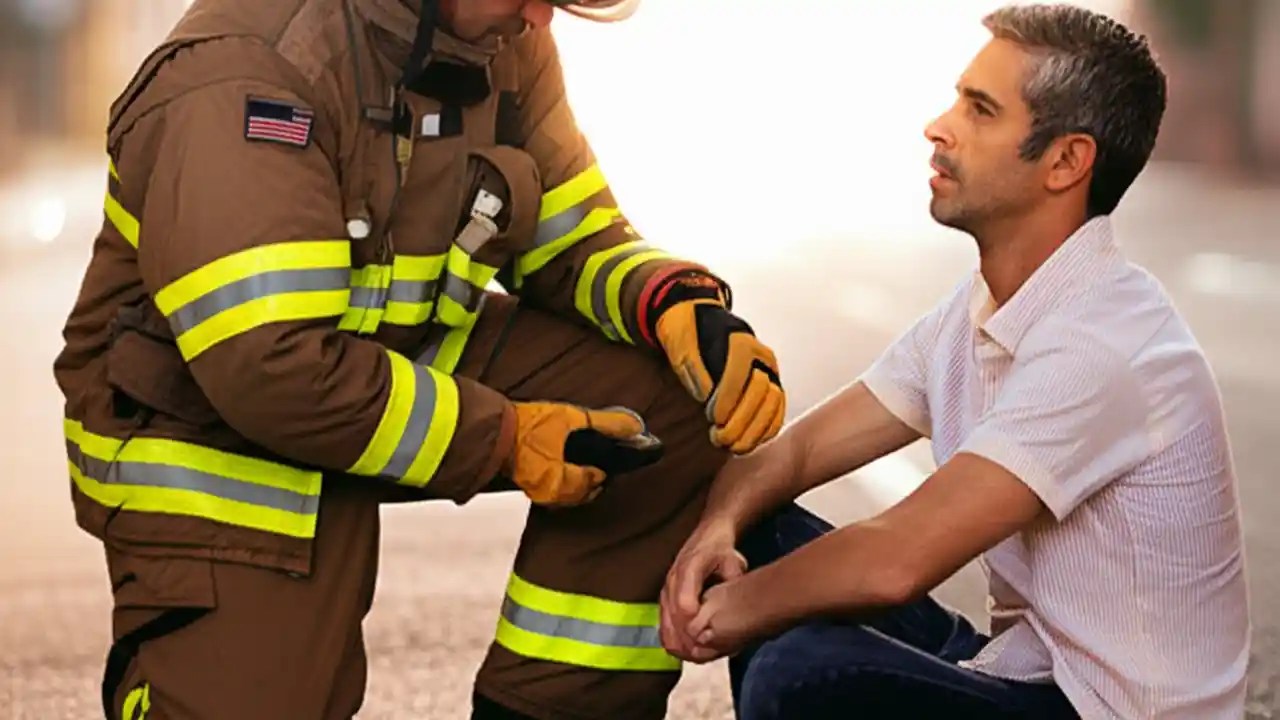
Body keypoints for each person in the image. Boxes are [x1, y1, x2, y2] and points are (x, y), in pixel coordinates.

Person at [52, 0, 787, 718]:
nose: (540, 17)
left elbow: (572, 236)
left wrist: (671, 302)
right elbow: (271, 367)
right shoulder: (249, 71)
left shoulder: (498, 41)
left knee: (665, 400)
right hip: (208, 431)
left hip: (377, 355)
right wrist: (507, 438)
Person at [660, 4, 1251, 719]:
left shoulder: (1104, 344)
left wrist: (725, 613)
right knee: (759, 533)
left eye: (980, 110)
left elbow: (895, 560)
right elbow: (796, 453)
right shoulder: (981, 310)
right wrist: (717, 530)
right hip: (1027, 669)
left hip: (1107, 709)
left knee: (799, 670)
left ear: (1066, 162)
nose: (939, 127)